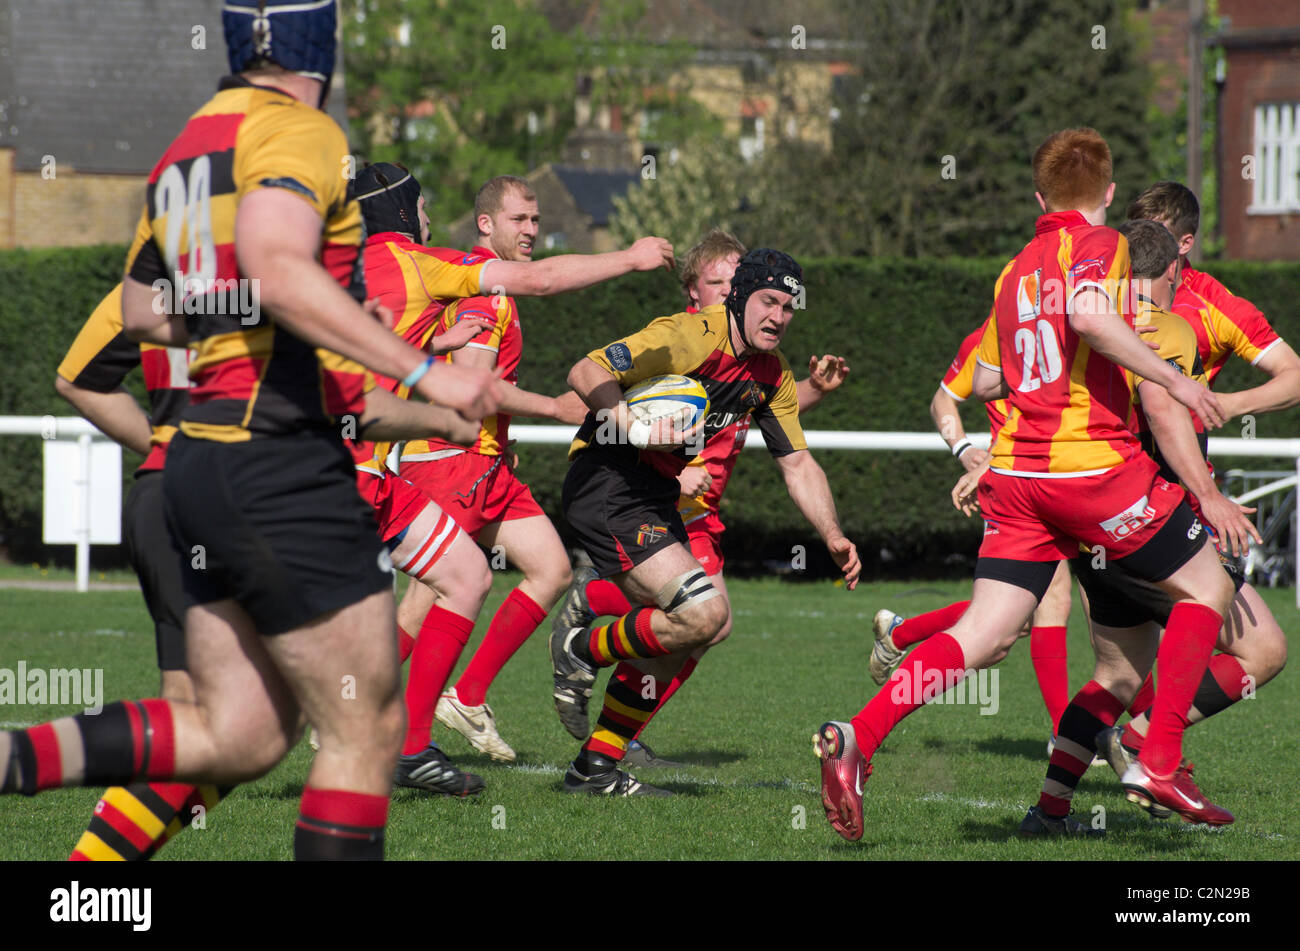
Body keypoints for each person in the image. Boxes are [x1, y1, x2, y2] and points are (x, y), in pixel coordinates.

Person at [1, 0, 501, 861]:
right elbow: (275, 265)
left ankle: (16, 758)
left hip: (189, 467)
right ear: (321, 44)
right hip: (273, 463)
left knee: (239, 735)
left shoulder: (189, 143)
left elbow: (141, 311)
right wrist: (426, 368)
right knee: (366, 722)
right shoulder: (301, 130)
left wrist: (270, 313)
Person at [812, 127, 1233, 842]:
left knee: (982, 631)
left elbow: (985, 378)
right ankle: (1158, 756)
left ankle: (860, 734)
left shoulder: (1012, 273)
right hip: (1091, 467)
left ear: (1038, 198)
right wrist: (1173, 379)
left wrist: (976, 447)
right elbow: (1088, 317)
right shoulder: (1105, 245)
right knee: (1210, 588)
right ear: (1107, 194)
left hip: (1018, 477)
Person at [351, 168, 670, 769]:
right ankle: (376, 719)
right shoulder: (464, 281)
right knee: (436, 596)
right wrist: (628, 258)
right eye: (520, 220)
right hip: (450, 463)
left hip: (482, 465)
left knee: (546, 570)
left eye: (536, 219)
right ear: (486, 224)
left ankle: (460, 701)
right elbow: (471, 387)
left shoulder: (375, 273)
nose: (532, 230)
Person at [553, 247, 861, 795]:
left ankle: (594, 767)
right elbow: (585, 370)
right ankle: (582, 647)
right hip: (608, 481)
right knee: (703, 613)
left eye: (790, 307)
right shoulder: (690, 335)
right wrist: (632, 427)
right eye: (769, 301)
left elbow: (796, 463)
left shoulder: (773, 375)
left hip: (654, 498)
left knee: (692, 632)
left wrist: (832, 534)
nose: (779, 316)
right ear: (740, 296)